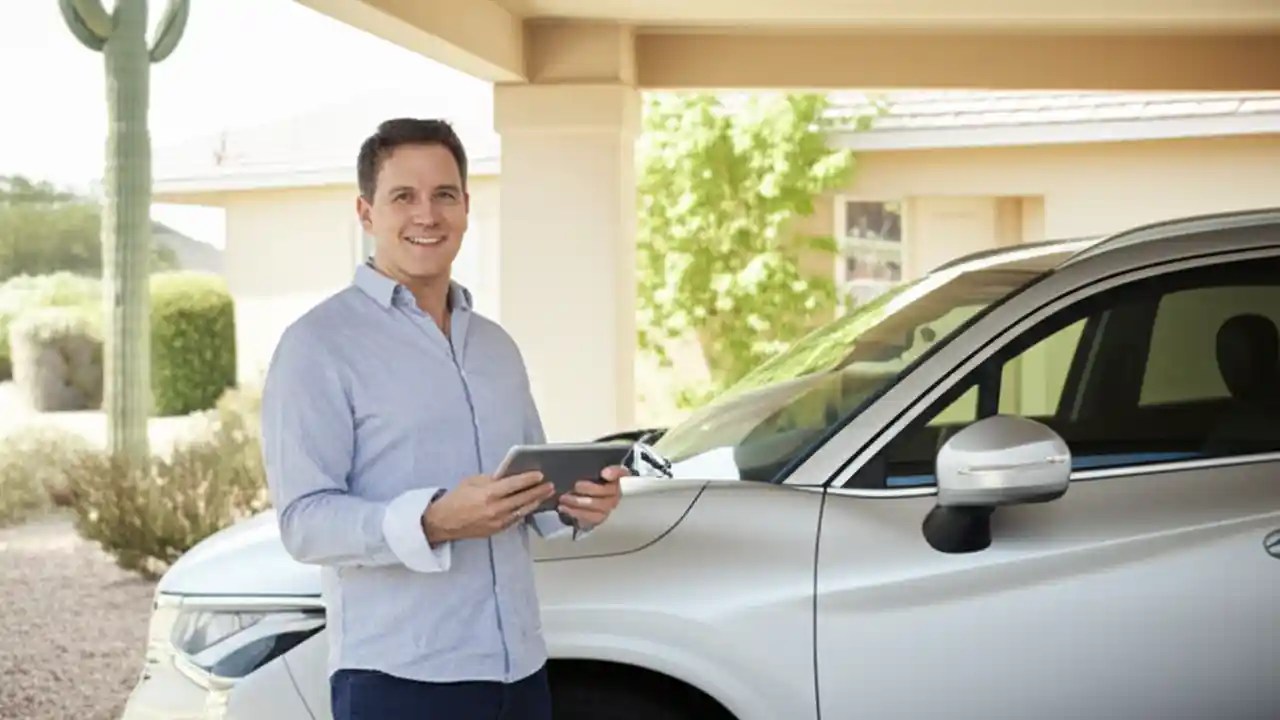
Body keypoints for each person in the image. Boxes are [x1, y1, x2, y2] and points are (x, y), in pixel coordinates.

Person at [259, 117, 627, 720]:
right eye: (403, 196)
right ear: (366, 212)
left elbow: (532, 494)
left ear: (465, 207)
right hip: (401, 682)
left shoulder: (496, 346)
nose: (426, 215)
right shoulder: (317, 345)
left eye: (444, 195)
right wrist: (432, 521)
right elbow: (304, 522)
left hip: (521, 671)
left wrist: (578, 505)